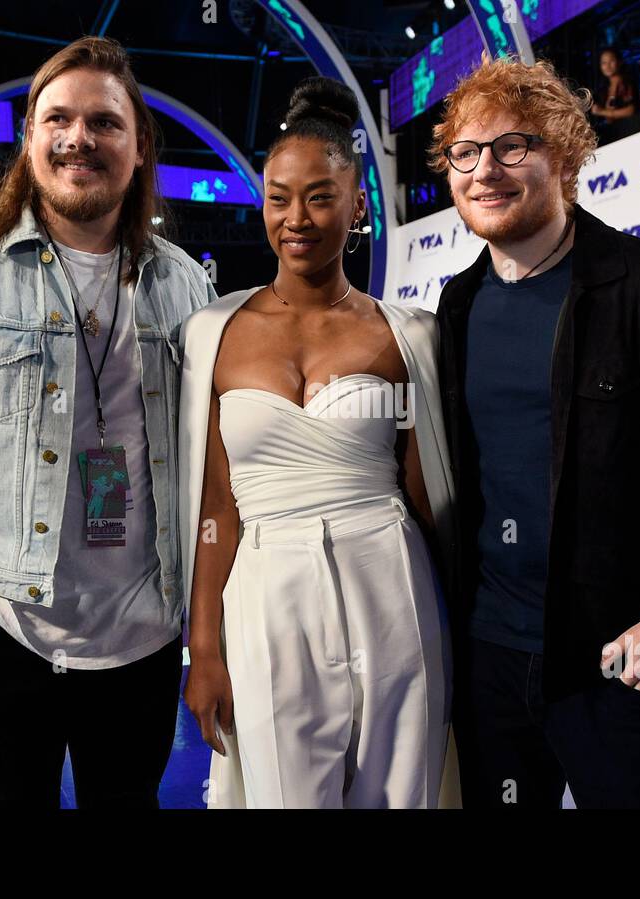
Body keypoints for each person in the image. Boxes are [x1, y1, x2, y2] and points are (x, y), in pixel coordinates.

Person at [0, 36, 215, 808]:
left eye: (104, 122)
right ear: (30, 134)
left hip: (142, 633)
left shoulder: (184, 284)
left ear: (139, 143)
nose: (78, 137)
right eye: (57, 117)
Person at [428, 54, 640, 808]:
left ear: (564, 156)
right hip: (491, 661)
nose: (486, 171)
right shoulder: (459, 304)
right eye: (465, 154)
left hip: (616, 661)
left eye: (513, 146)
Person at [180, 76, 458, 808]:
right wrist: (203, 646)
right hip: (266, 594)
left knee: (401, 793)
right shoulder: (214, 333)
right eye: (278, 197)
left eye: (319, 195)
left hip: (393, 583)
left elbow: (430, 497)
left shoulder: (409, 334)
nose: (295, 218)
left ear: (358, 200)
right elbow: (217, 507)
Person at [589, 48, 636, 122]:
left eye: (612, 61)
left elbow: (631, 110)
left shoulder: (626, 82)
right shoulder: (603, 88)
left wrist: (602, 112)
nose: (608, 66)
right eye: (604, 63)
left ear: (619, 62)